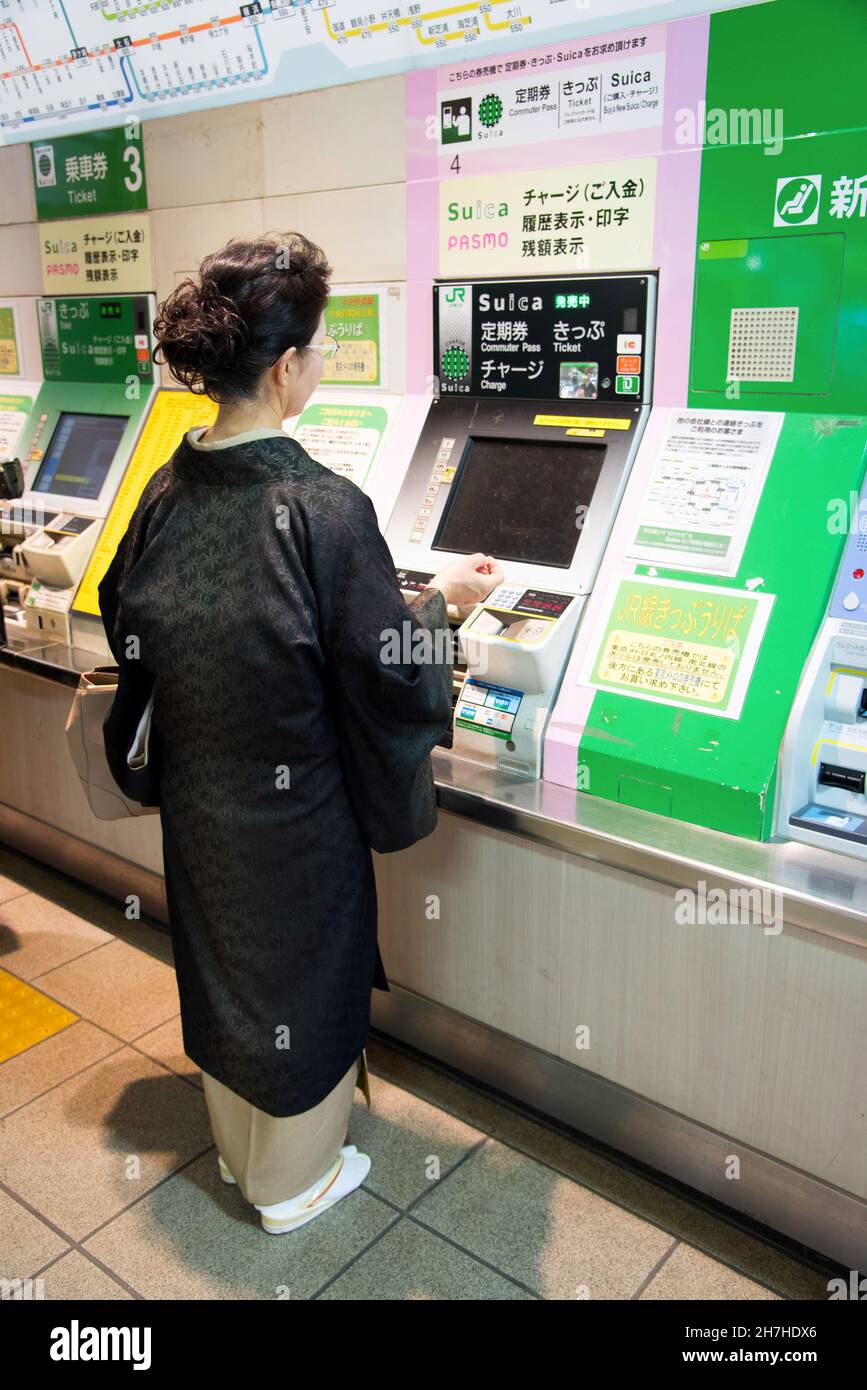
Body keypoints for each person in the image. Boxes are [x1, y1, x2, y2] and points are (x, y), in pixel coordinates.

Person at [98, 232, 503, 1234]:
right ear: (285, 368)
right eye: (316, 352)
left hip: (201, 801)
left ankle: (241, 1156)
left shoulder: (168, 484)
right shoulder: (321, 506)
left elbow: (127, 613)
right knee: (301, 976)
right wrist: (445, 606)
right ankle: (291, 1182)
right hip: (298, 821)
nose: (317, 367)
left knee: (222, 965)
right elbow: (386, 664)